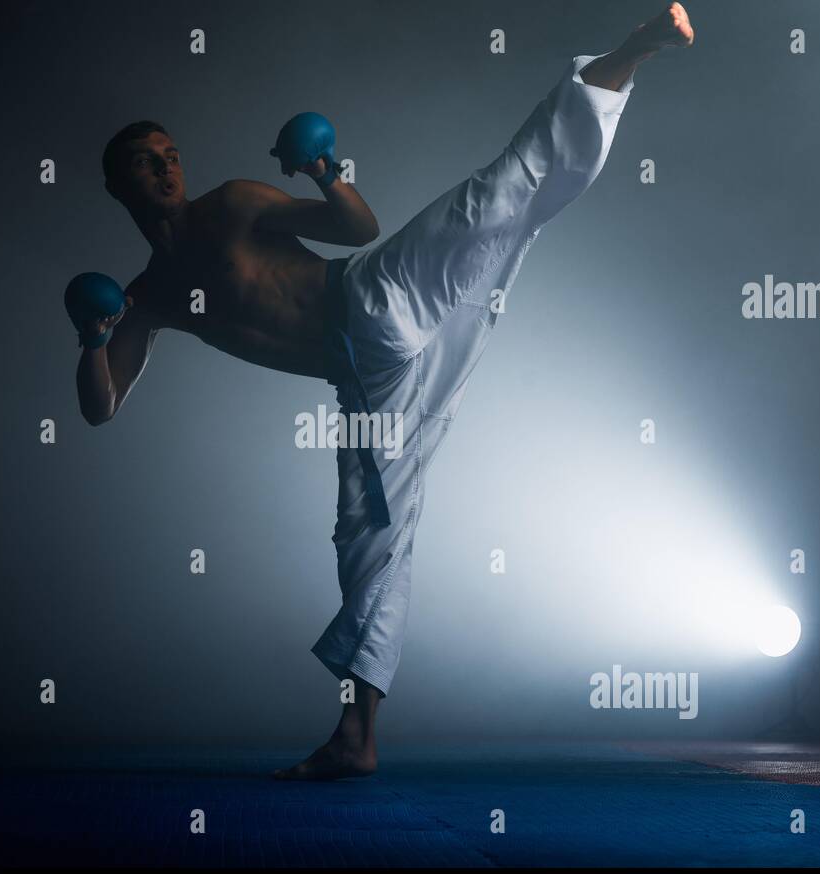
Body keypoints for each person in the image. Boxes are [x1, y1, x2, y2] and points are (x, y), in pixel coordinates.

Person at [77, 4, 695, 780]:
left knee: (502, 197)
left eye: (170, 154)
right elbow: (101, 406)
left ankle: (636, 50)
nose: (167, 168)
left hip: (379, 295)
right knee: (369, 541)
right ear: (116, 186)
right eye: (146, 162)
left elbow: (357, 227)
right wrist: (92, 341)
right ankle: (356, 736)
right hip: (368, 380)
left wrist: (323, 172)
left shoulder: (231, 205)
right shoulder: (147, 296)